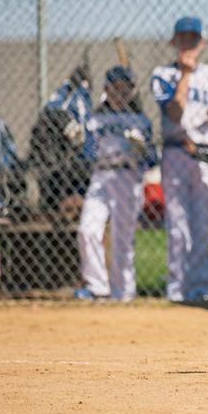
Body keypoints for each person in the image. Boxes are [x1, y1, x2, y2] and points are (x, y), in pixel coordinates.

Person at [150, 16, 208, 302]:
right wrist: (184, 73)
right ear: (173, 42)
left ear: (202, 43)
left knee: (202, 225)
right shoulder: (162, 74)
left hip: (205, 155)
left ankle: (199, 286)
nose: (188, 44)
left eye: (193, 39)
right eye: (183, 38)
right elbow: (174, 113)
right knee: (178, 225)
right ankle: (177, 287)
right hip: (176, 152)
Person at [74, 66, 157, 301]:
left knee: (122, 239)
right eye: (115, 89)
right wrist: (80, 141)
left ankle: (124, 293)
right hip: (101, 177)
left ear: (132, 91)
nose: (120, 95)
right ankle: (98, 286)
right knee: (87, 230)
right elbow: (87, 155)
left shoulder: (141, 120)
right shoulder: (95, 119)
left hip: (128, 178)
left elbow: (152, 161)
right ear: (106, 90)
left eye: (125, 89)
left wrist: (141, 148)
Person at [32, 63, 94, 215]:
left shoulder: (71, 95)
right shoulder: (74, 95)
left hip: (73, 163)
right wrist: (66, 122)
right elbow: (52, 111)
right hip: (70, 164)